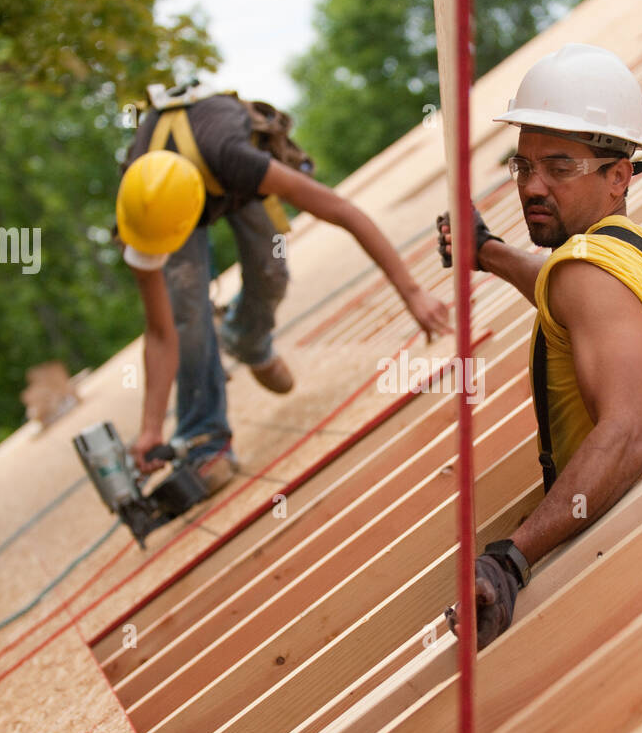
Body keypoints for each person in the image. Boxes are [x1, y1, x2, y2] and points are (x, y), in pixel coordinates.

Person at [438, 43, 642, 649]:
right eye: (523, 166)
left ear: (618, 177)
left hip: (639, 563)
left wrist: (512, 558)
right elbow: (561, 292)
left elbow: (627, 437)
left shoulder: (589, 272)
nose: (532, 186)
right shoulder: (630, 252)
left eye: (559, 168)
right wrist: (486, 251)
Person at [117, 83, 450, 491]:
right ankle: (205, 437)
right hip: (172, 192)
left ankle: (245, 337)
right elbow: (160, 331)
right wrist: (151, 427)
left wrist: (412, 292)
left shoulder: (237, 163)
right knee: (187, 312)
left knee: (270, 270)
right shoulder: (141, 211)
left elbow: (341, 210)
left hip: (219, 165)